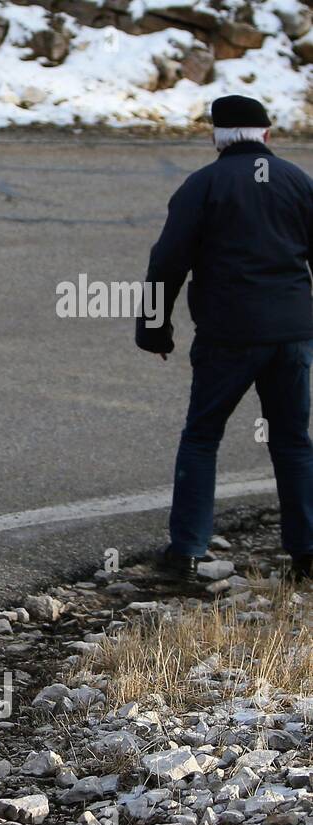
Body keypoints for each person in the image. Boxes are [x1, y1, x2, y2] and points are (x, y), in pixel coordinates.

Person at [136, 95, 313, 581]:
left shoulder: (203, 185)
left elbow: (167, 262)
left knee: (202, 436)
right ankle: (307, 552)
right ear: (267, 135)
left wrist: (154, 329)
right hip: (294, 335)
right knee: (293, 440)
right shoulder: (298, 182)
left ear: (215, 136)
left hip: (229, 334)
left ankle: (188, 552)